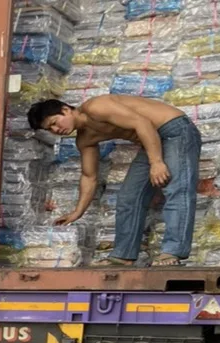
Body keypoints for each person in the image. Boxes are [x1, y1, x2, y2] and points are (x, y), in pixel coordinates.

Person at [27, 95, 202, 267]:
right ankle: (123, 255)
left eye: (54, 122)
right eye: (50, 129)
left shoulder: (96, 107)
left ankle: (172, 251)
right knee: (129, 197)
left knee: (175, 189)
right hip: (150, 140)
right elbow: (89, 177)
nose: (56, 130)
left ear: (66, 109)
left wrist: (156, 162)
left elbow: (142, 123)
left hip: (174, 130)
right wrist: (77, 212)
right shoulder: (85, 139)